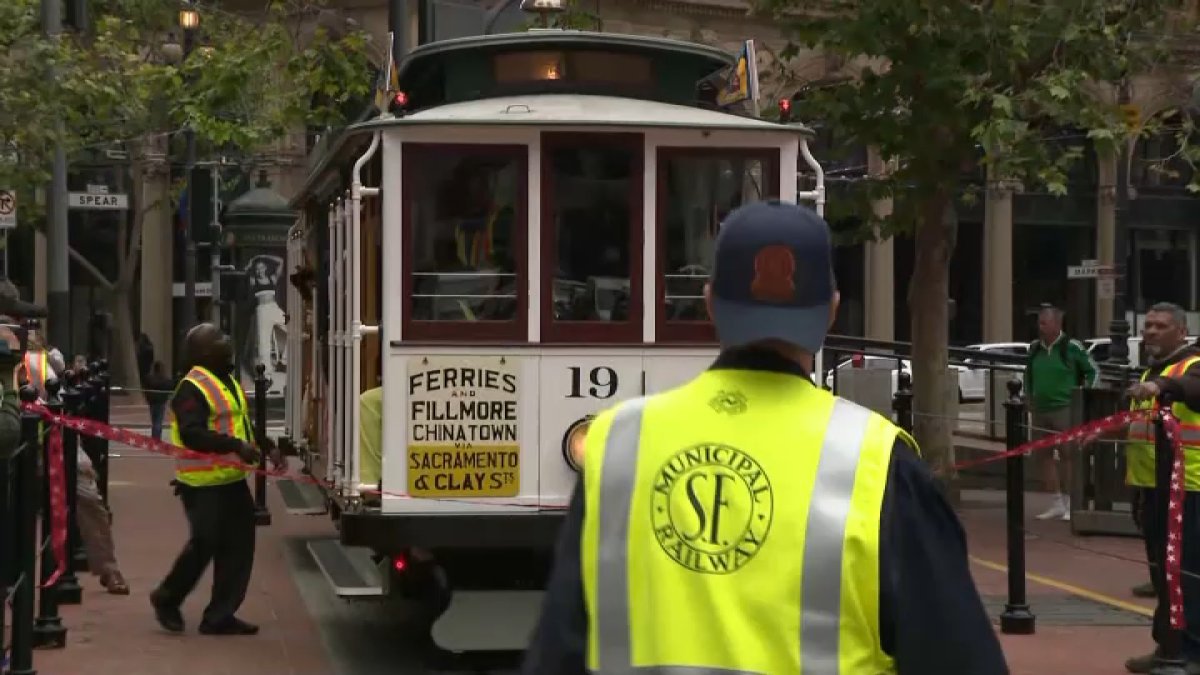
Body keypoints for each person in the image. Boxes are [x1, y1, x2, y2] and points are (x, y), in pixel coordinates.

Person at [522, 200, 1008, 675]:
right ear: (832, 312)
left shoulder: (618, 446)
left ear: (710, 303)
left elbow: (558, 652)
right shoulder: (878, 463)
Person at [150, 322, 283, 636]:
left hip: (231, 480)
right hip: (201, 485)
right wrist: (236, 447)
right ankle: (166, 598)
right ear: (204, 351)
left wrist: (268, 447)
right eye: (219, 339)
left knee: (239, 546)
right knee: (205, 543)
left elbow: (241, 426)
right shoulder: (191, 388)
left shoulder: (226, 382)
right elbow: (192, 433)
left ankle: (220, 615)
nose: (227, 341)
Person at [1122, 302, 1200, 674]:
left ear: (1182, 332)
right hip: (1152, 483)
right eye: (1148, 325)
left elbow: (1192, 389)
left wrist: (1162, 385)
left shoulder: (1191, 364)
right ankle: (1168, 646)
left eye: (1160, 326)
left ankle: (1191, 653)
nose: (1151, 331)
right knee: (1162, 573)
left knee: (1185, 572)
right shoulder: (1157, 368)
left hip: (1189, 487)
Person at [1024, 304, 1098, 521]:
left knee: (1068, 455)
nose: (1040, 327)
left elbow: (1092, 371)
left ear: (1057, 324)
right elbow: (1028, 374)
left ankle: (1070, 501)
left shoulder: (1072, 347)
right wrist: (1029, 396)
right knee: (1042, 456)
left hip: (1065, 407)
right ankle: (1056, 502)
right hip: (1040, 408)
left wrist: (1084, 396)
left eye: (1044, 323)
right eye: (1039, 322)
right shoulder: (1035, 348)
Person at [143, 360, 174, 441]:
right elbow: (170, 387)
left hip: (153, 402)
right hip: (160, 402)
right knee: (158, 421)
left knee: (154, 421)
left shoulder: (149, 378)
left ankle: (154, 437)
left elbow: (146, 389)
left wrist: (148, 398)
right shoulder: (165, 380)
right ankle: (156, 438)